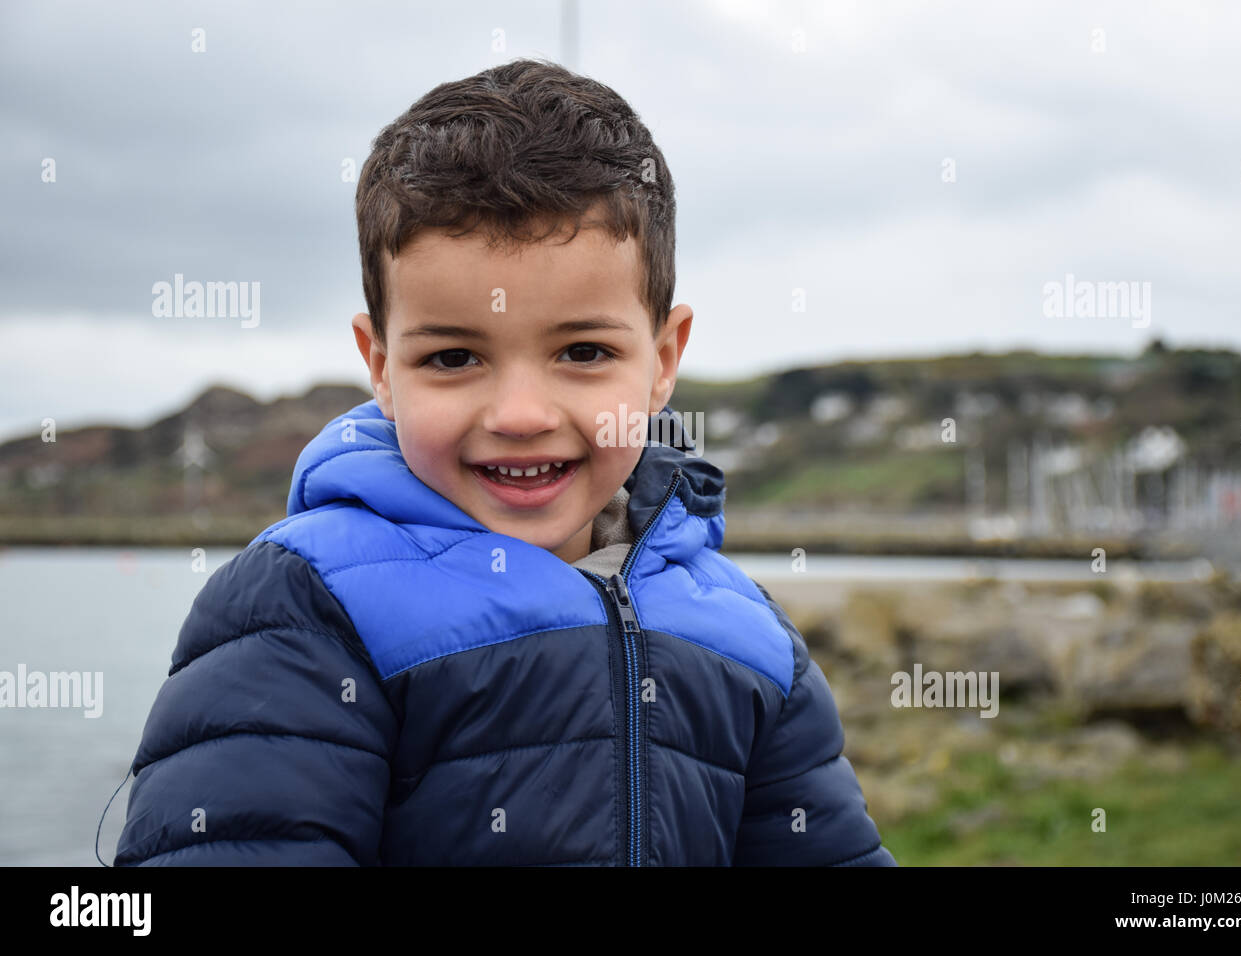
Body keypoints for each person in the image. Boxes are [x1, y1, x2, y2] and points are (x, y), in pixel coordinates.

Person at [113, 58, 897, 867]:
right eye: (454, 359)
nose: (521, 416)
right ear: (380, 366)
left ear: (663, 360)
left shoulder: (750, 638)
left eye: (583, 351)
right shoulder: (307, 608)